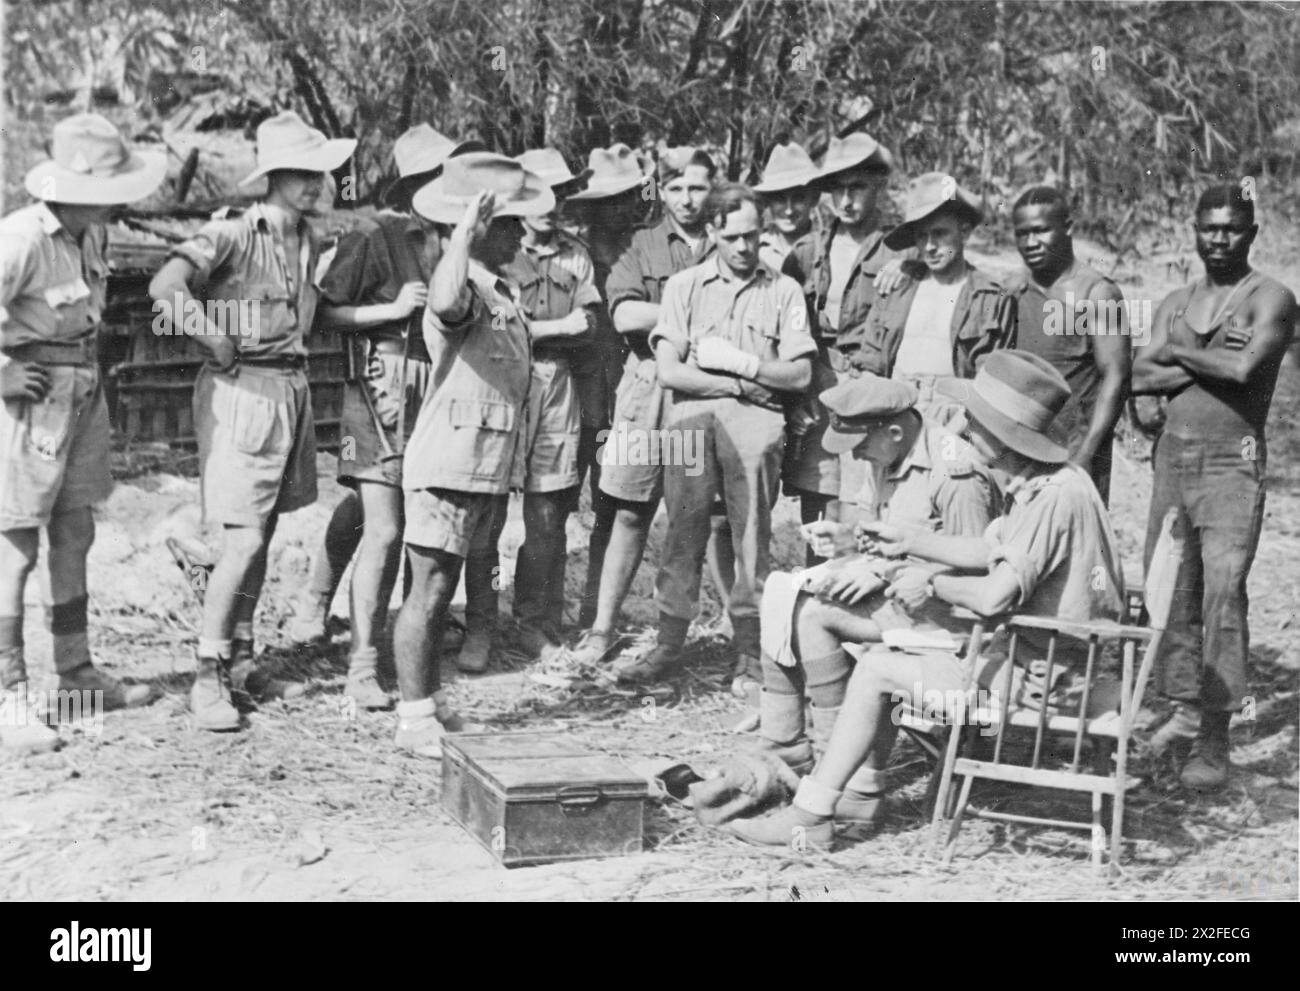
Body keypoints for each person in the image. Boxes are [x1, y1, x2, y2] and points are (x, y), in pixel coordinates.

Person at [729, 351, 1125, 848]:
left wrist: (930, 584)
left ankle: (813, 811)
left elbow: (993, 595)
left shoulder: (1049, 498)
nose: (961, 426)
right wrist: (906, 542)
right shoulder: (1054, 484)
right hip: (1041, 660)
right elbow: (987, 547)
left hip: (1044, 680)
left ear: (1002, 434)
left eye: (973, 420)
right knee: (874, 654)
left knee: (877, 668)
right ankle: (841, 794)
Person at [151, 111, 355, 732]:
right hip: (242, 391)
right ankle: (206, 671)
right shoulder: (236, 234)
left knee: (261, 536)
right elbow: (166, 287)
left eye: (318, 171)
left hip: (288, 390)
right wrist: (213, 339)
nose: (314, 183)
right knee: (240, 540)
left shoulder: (309, 240)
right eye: (298, 173)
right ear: (271, 178)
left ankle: (241, 656)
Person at [0, 113, 166, 752]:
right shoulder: (21, 240)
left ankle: (75, 673)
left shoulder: (89, 237)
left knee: (75, 530)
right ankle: (9, 692)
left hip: (81, 395)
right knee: (13, 545)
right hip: (29, 403)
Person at [287, 127, 484, 649]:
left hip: (444, 384)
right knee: (381, 516)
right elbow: (322, 312)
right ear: (415, 184)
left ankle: (415, 620)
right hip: (382, 385)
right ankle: (326, 610)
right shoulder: (376, 234)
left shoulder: (464, 234)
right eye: (438, 174)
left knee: (411, 508)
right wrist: (390, 310)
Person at [612, 183, 814, 691]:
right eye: (733, 238)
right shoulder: (683, 287)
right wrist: (742, 382)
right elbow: (670, 373)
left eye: (752, 236)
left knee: (750, 536)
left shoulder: (784, 290)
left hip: (757, 426)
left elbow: (799, 376)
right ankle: (668, 641)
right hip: (691, 419)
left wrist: (743, 366)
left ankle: (748, 651)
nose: (744, 248)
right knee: (683, 529)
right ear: (712, 233)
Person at [1132, 183, 1297, 791]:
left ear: (1252, 233)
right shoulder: (1176, 300)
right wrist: (1172, 365)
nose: (1219, 239)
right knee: (1170, 589)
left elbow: (1243, 368)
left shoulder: (1272, 298)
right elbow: (1136, 373)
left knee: (1222, 595)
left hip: (1233, 461)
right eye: (1209, 228)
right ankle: (1179, 713)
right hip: (1173, 458)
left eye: (1231, 229)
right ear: (1194, 230)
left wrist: (1173, 356)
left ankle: (1215, 740)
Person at [392, 154, 552, 757]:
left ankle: (427, 706)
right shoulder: (459, 281)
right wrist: (461, 236)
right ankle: (412, 719)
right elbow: (444, 301)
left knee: (444, 590)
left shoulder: (498, 289)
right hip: (449, 464)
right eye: (509, 223)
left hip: (483, 468)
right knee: (429, 590)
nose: (522, 234)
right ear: (480, 227)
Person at [759, 374, 996, 774]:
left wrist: (886, 573)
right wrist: (847, 540)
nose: (857, 457)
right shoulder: (888, 456)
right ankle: (786, 747)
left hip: (949, 619)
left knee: (815, 615)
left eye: (862, 445)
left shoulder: (955, 472)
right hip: (905, 600)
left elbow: (976, 564)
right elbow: (880, 529)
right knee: (782, 594)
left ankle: (840, 761)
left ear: (895, 432)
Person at [568, 148, 725, 667]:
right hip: (646, 384)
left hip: (703, 392)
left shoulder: (730, 246)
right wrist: (698, 312)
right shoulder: (642, 244)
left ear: (713, 190)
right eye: (675, 188)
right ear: (662, 190)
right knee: (628, 511)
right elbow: (628, 314)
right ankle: (601, 629)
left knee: (689, 517)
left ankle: (669, 638)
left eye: (697, 188)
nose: (686, 199)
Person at [780, 132, 900, 560]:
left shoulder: (899, 251)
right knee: (821, 499)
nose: (847, 200)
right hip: (818, 388)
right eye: (838, 189)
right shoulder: (807, 251)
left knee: (866, 503)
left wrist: (909, 264)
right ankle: (817, 606)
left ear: (878, 188)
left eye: (858, 188)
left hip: (869, 387)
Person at [505, 148, 601, 659]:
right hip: (501, 382)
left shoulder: (574, 254)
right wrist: (552, 329)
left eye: (556, 193)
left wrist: (540, 332)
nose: (548, 204)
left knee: (548, 508)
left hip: (557, 385)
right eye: (536, 191)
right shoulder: (496, 248)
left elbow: (587, 325)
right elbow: (493, 329)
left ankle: (533, 619)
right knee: (484, 507)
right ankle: (477, 623)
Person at [562, 145, 646, 633]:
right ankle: (543, 614)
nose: (619, 209)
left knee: (614, 507)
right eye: (607, 200)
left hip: (628, 397)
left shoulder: (642, 251)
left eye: (627, 198)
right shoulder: (575, 255)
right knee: (555, 506)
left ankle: (596, 611)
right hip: (576, 398)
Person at [847, 172, 1015, 415]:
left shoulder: (989, 298)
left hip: (955, 415)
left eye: (940, 233)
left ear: (965, 232)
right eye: (922, 236)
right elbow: (871, 359)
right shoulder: (896, 287)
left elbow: (991, 380)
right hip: (893, 411)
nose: (929, 247)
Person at [1007, 186, 1129, 503]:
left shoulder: (1097, 293)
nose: (1030, 243)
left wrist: (1087, 453)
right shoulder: (1014, 288)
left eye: (1040, 231)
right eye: (1021, 234)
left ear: (1069, 228)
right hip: (1020, 442)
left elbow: (1117, 376)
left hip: (1074, 448)